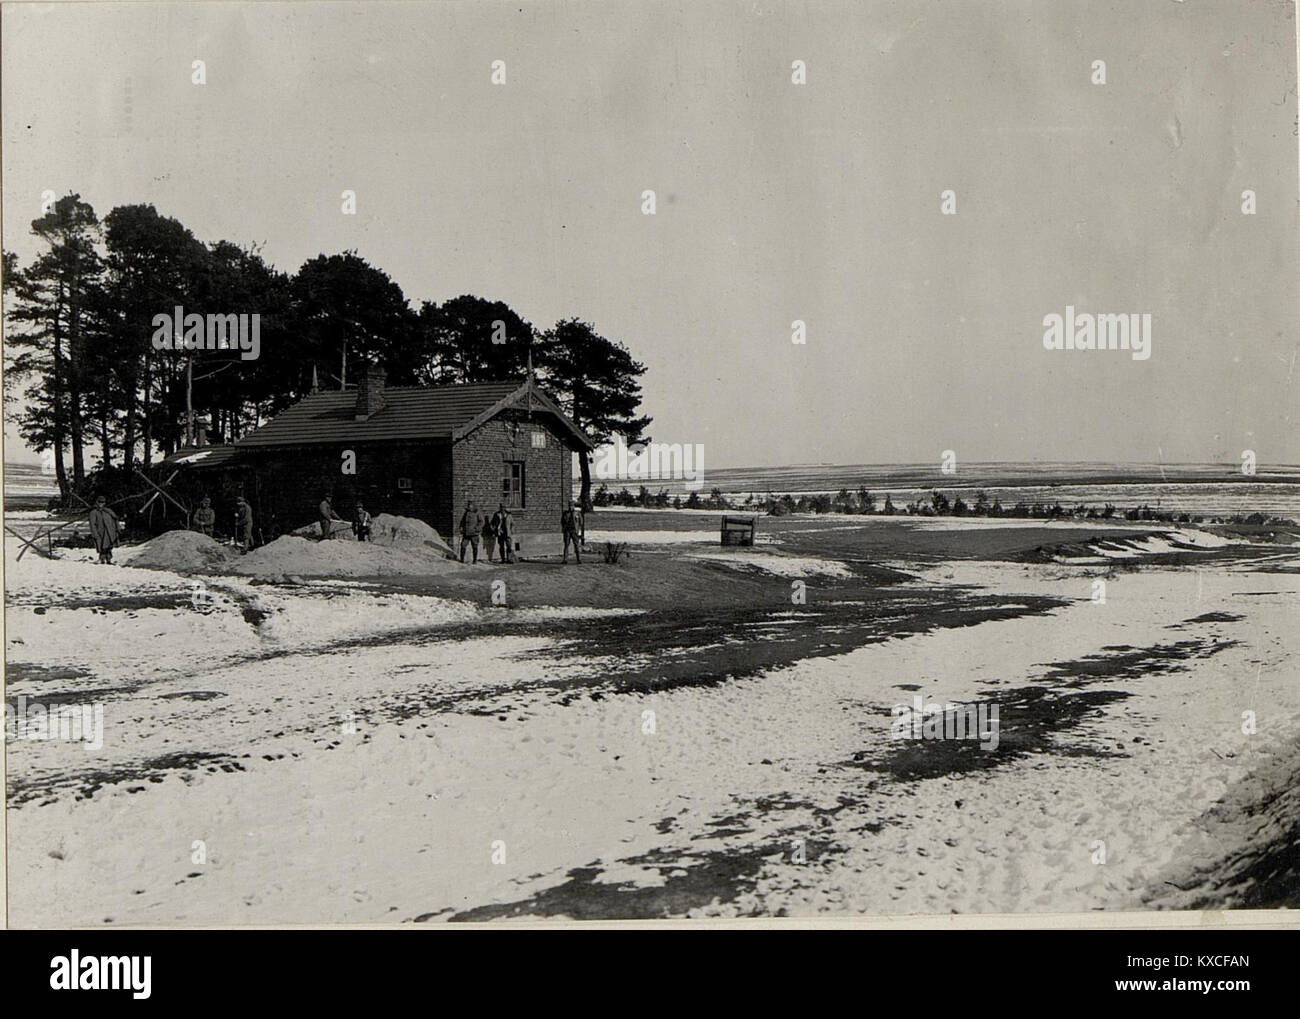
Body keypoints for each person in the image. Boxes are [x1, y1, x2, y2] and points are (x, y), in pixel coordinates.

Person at [88, 496, 120, 564]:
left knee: (109, 546)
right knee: (101, 546)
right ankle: (102, 559)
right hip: (100, 532)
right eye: (99, 502)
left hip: (109, 532)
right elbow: (92, 524)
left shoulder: (108, 511)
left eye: (102, 502)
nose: (101, 504)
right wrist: (95, 533)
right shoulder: (93, 512)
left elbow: (115, 519)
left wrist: (117, 529)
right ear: (97, 502)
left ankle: (108, 559)